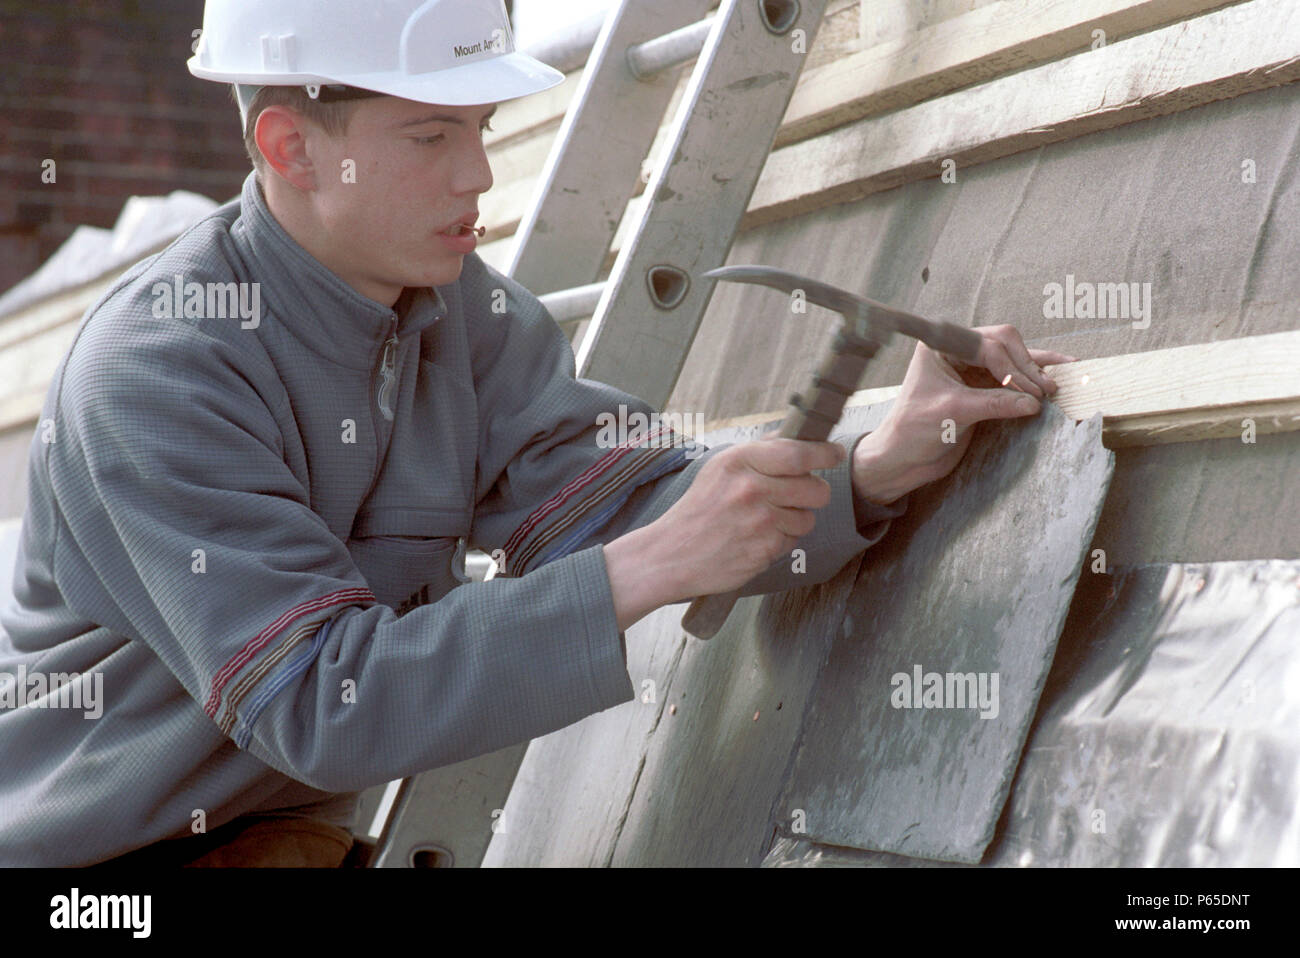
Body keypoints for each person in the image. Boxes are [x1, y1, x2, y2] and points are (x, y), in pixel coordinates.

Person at [0, 0, 1075, 867]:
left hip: (278, 837)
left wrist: (876, 463)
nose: (476, 176)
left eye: (480, 128)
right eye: (431, 135)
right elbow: (318, 697)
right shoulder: (158, 375)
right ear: (290, 146)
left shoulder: (456, 308)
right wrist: (652, 563)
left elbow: (614, 496)